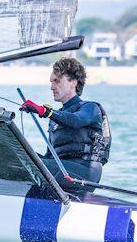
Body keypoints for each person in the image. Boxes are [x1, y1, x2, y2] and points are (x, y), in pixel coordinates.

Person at [20, 57, 111, 191]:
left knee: (28, 165)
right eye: (51, 82)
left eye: (57, 81)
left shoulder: (90, 108)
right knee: (18, 157)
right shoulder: (56, 118)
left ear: (73, 82)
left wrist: (44, 111)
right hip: (62, 167)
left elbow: (76, 120)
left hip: (86, 172)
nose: (52, 87)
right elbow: (49, 157)